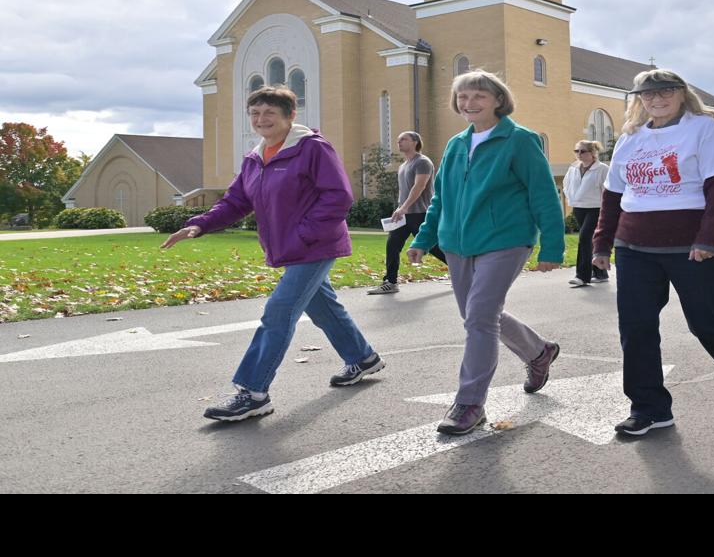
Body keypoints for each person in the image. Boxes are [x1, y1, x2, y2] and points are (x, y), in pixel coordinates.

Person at [165, 85, 383, 422]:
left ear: (290, 115)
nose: (261, 119)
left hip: (316, 245)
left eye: (269, 112)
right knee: (323, 307)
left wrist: (304, 234)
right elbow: (235, 201)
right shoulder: (255, 158)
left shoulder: (312, 148)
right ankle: (363, 357)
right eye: (255, 113)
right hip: (292, 247)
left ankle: (253, 392)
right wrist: (200, 225)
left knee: (278, 312)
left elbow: (338, 196)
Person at [590, 68, 714, 437]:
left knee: (704, 321)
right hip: (635, 245)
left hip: (693, 246)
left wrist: (708, 239)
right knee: (635, 327)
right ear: (639, 100)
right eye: (648, 94)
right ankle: (649, 408)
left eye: (666, 91)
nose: (657, 99)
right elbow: (613, 197)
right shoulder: (630, 138)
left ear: (682, 93)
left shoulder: (703, 128)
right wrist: (603, 243)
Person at [407, 69, 565, 436]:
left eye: (478, 95)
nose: (469, 103)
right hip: (457, 243)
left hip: (505, 239)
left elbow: (543, 193)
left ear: (497, 100)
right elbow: (441, 199)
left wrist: (552, 245)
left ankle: (470, 403)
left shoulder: (520, 140)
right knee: (479, 315)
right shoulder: (455, 144)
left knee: (479, 316)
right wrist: (423, 238)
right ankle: (539, 352)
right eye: (463, 97)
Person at [375, 130, 446, 293]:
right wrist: (400, 208)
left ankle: (465, 273)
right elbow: (405, 191)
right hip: (404, 214)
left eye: (403, 139)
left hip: (420, 213)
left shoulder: (422, 162)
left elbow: (419, 186)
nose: (399, 142)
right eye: (398, 140)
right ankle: (390, 282)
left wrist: (404, 207)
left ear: (415, 142)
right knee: (392, 245)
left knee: (434, 247)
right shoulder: (403, 165)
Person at [562, 139, 610, 285]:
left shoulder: (602, 169)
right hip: (578, 207)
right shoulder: (573, 168)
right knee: (591, 240)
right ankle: (600, 273)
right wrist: (571, 197)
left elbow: (608, 190)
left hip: (596, 208)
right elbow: (566, 184)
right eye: (576, 151)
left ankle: (582, 276)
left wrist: (606, 208)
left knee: (584, 237)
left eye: (582, 151)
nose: (579, 154)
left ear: (592, 153)